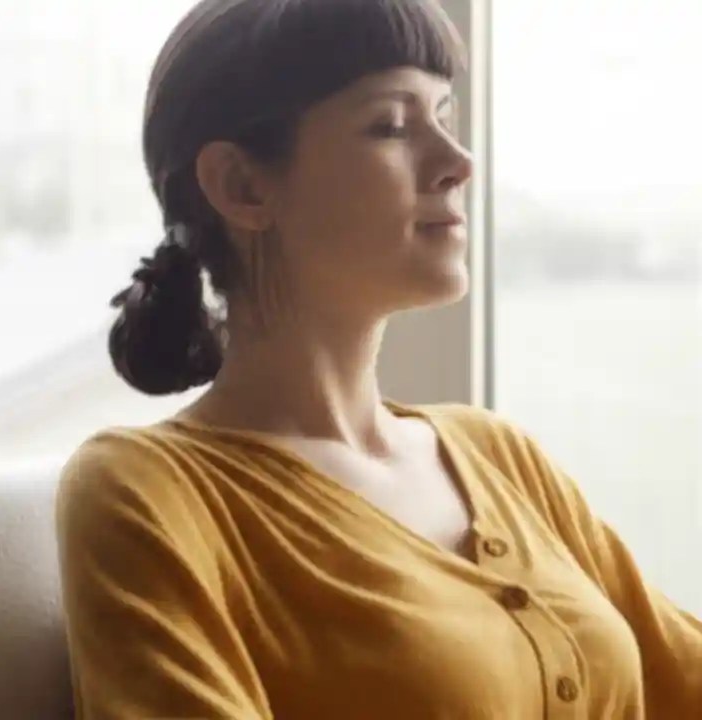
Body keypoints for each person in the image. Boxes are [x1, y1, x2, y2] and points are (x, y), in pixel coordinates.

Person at [54, 0, 702, 717]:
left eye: (444, 117)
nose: (459, 163)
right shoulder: (147, 495)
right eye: (391, 125)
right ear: (243, 186)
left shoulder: (499, 455)